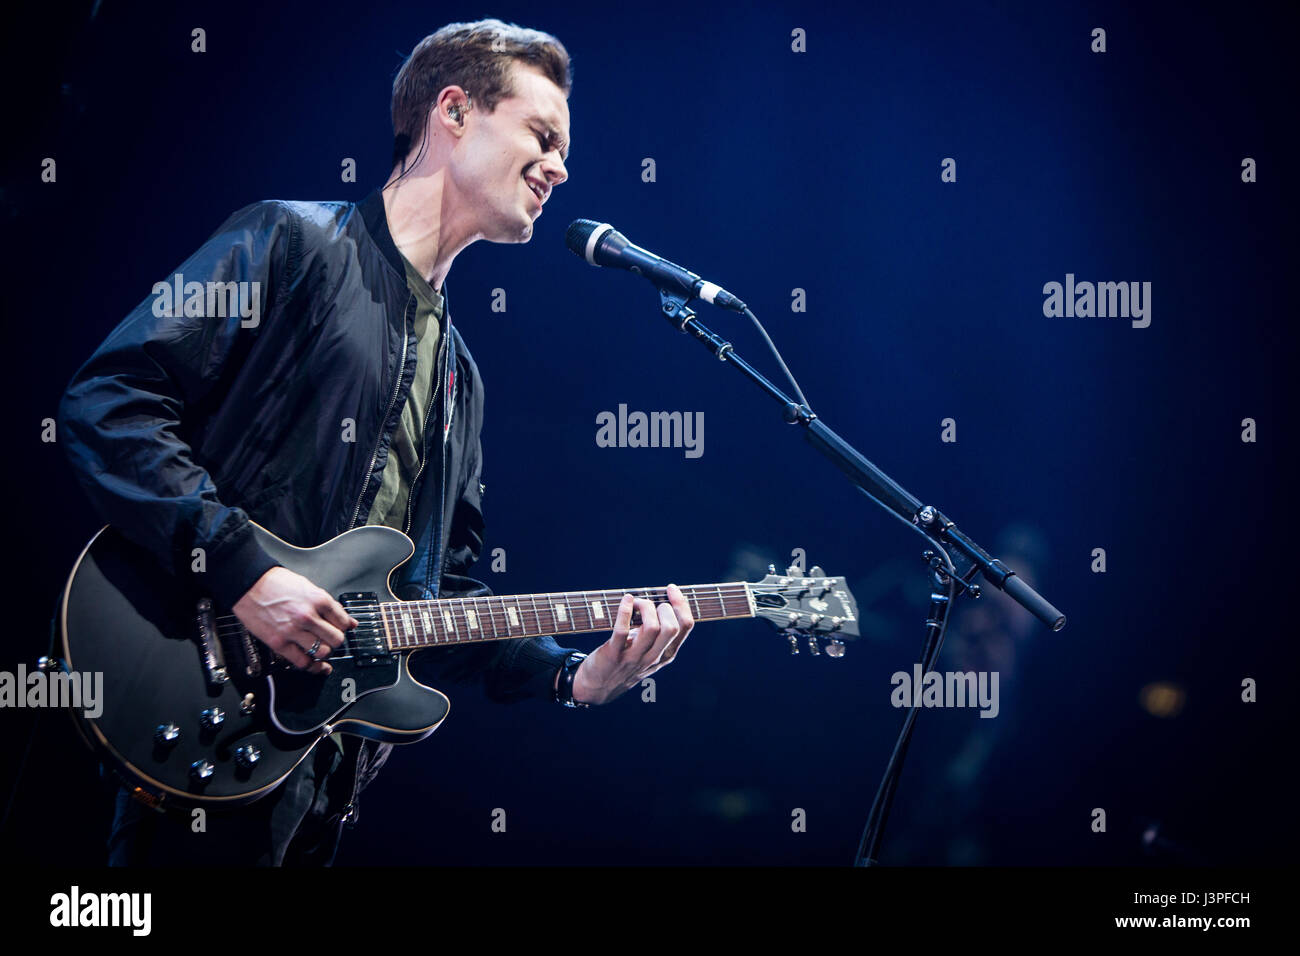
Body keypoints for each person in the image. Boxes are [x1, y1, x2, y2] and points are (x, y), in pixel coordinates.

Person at [56, 18, 694, 866]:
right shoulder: (289, 242)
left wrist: (572, 677)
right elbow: (111, 401)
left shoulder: (461, 377)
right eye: (543, 135)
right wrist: (245, 571)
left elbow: (438, 600)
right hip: (182, 705)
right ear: (455, 111)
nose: (560, 167)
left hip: (319, 777)